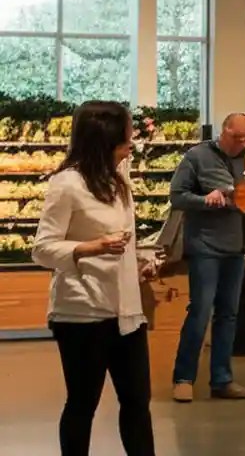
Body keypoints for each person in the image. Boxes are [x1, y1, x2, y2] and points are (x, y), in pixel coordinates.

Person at [32, 101, 156, 456]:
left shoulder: (120, 181)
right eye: (125, 138)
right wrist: (90, 247)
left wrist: (141, 262)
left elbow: (124, 242)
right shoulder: (66, 184)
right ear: (103, 141)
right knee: (83, 403)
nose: (130, 145)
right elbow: (42, 249)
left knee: (137, 402)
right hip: (82, 312)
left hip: (127, 313)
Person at [169, 113, 245, 402]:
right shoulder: (196, 156)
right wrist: (204, 200)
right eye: (237, 138)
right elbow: (177, 196)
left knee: (228, 314)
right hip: (204, 246)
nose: (242, 144)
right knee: (200, 311)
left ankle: (222, 379)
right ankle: (183, 378)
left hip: (235, 247)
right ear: (224, 131)